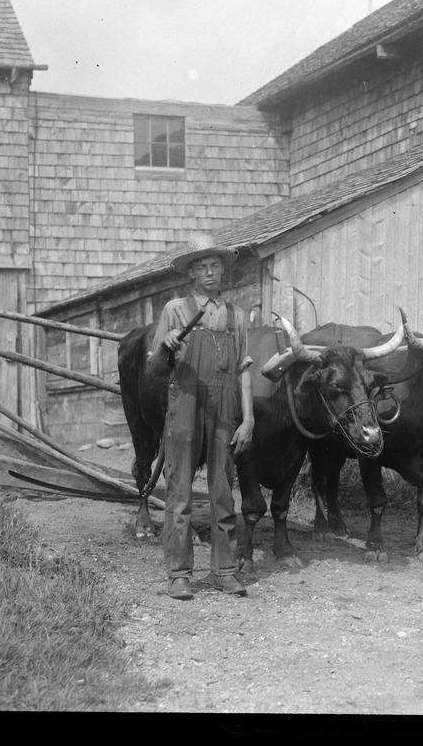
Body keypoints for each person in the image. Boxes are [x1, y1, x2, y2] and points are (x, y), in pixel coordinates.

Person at [150, 233, 254, 600]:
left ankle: (224, 570)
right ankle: (179, 574)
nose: (210, 273)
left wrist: (249, 419)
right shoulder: (175, 310)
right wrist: (168, 344)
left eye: (215, 266)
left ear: (223, 271)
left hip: (225, 408)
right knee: (179, 491)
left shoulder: (237, 316)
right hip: (185, 403)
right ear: (192, 273)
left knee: (223, 491)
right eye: (202, 267)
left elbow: (244, 369)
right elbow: (155, 368)